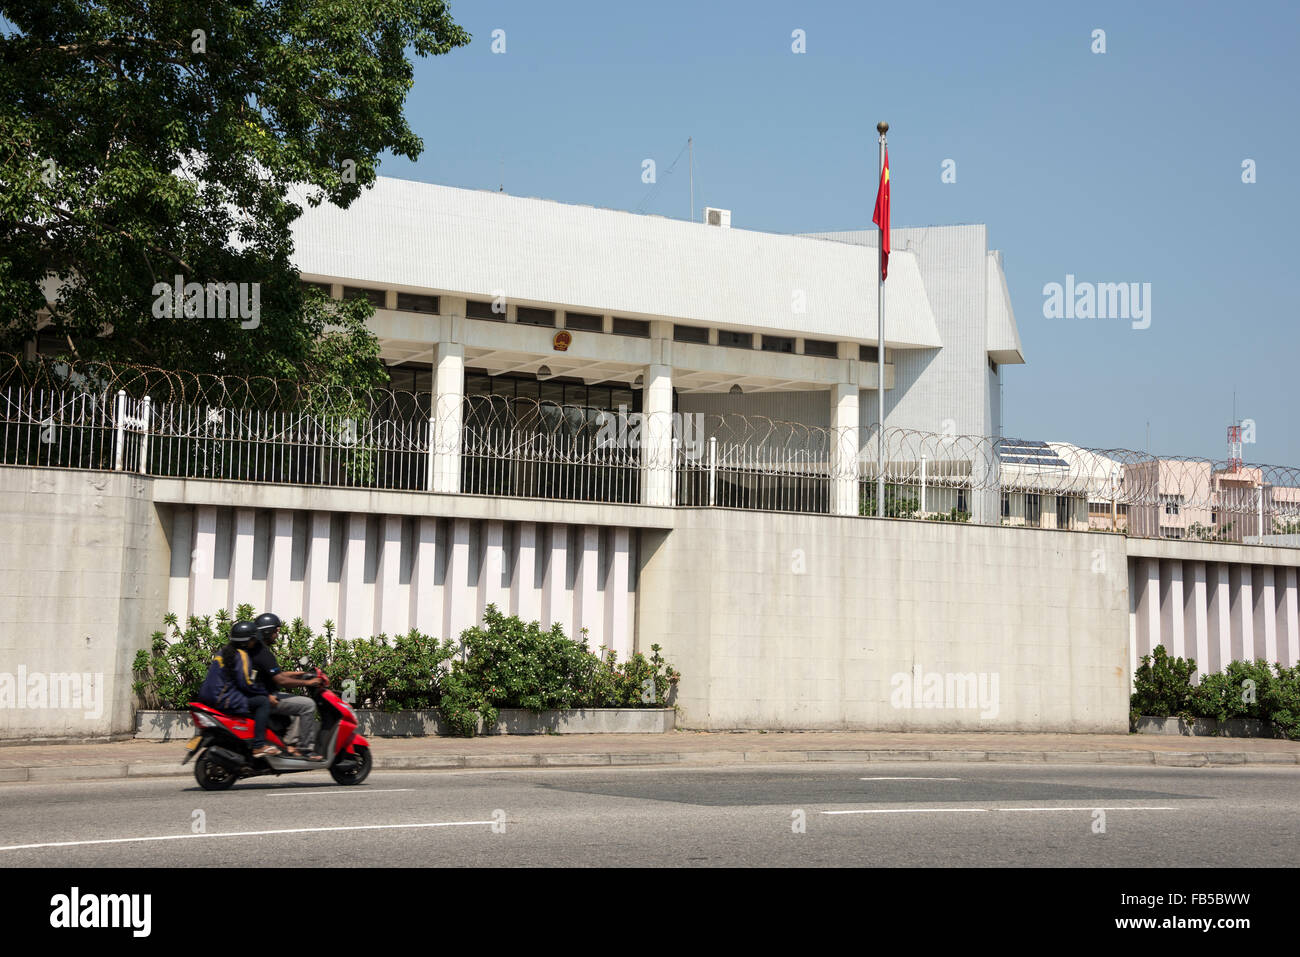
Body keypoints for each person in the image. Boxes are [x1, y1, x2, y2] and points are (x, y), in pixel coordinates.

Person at [197, 620, 281, 758]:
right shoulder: (241, 655)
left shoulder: (223, 651)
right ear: (248, 641)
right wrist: (266, 694)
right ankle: (259, 745)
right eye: (254, 639)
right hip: (224, 698)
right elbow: (246, 683)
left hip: (209, 696)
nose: (256, 641)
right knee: (263, 702)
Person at [250, 612, 325, 760]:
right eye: (275, 631)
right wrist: (307, 682)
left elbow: (275, 674)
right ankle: (305, 750)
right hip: (267, 697)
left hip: (262, 694)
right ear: (267, 631)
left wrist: (296, 674)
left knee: (298, 702)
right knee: (308, 705)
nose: (277, 635)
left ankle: (289, 745)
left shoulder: (257, 650)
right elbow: (280, 681)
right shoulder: (263, 653)